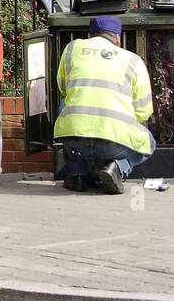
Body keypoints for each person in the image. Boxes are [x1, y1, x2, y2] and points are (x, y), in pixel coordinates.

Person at [54, 16, 156, 194]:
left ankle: (76, 174)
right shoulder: (133, 60)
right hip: (114, 143)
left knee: (65, 105)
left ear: (91, 35)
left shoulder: (72, 49)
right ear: (118, 38)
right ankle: (117, 167)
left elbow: (63, 87)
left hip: (75, 139)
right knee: (150, 143)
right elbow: (143, 111)